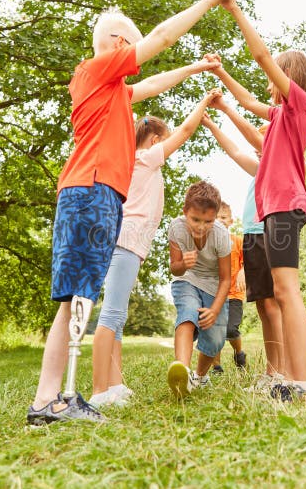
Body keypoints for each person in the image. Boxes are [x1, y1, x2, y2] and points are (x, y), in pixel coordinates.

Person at [27, 0, 236, 426]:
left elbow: (154, 81)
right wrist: (209, 0)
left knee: (73, 300)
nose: (138, 51)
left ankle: (50, 400)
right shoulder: (95, 69)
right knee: (76, 300)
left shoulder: (112, 91)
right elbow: (161, 37)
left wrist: (198, 67)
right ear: (120, 44)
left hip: (93, 193)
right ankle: (57, 399)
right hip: (91, 191)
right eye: (133, 46)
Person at [214, 0, 306, 401]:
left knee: (287, 291)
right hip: (273, 208)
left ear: (289, 77)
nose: (269, 84)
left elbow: (262, 58)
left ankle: (302, 380)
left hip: (287, 205)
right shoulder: (278, 116)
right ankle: (289, 376)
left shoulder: (301, 106)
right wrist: (222, 79)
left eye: (277, 76)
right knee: (281, 287)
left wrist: (234, 10)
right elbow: (247, 102)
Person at [88, 90, 220, 409]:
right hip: (127, 241)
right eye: (164, 140)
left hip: (127, 242)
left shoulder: (134, 160)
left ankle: (115, 384)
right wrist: (203, 101)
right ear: (153, 140)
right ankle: (98, 390)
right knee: (113, 313)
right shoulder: (145, 158)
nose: (167, 147)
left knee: (118, 316)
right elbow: (185, 132)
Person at [200, 107, 287, 391]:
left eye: (262, 144)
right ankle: (272, 370)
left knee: (272, 304)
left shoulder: (275, 165)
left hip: (266, 233)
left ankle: (280, 370)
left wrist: (221, 113)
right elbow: (235, 151)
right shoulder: (260, 170)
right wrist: (212, 125)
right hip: (252, 236)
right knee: (263, 305)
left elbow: (238, 150)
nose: (259, 151)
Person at [166, 181, 232, 398]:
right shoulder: (176, 227)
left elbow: (225, 279)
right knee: (188, 313)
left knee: (214, 338)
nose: (201, 226)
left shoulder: (221, 235)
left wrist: (214, 309)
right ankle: (182, 371)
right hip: (187, 279)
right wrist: (183, 263)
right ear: (185, 212)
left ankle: (200, 377)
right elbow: (175, 269)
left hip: (214, 285)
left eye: (208, 221)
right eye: (195, 219)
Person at [210, 201, 247, 375]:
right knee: (215, 330)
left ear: (231, 221)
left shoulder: (238, 241)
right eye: (217, 218)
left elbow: (247, 262)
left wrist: (242, 272)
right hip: (215, 295)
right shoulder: (210, 243)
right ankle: (216, 367)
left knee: (231, 329)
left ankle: (239, 353)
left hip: (234, 294)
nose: (220, 221)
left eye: (224, 217)